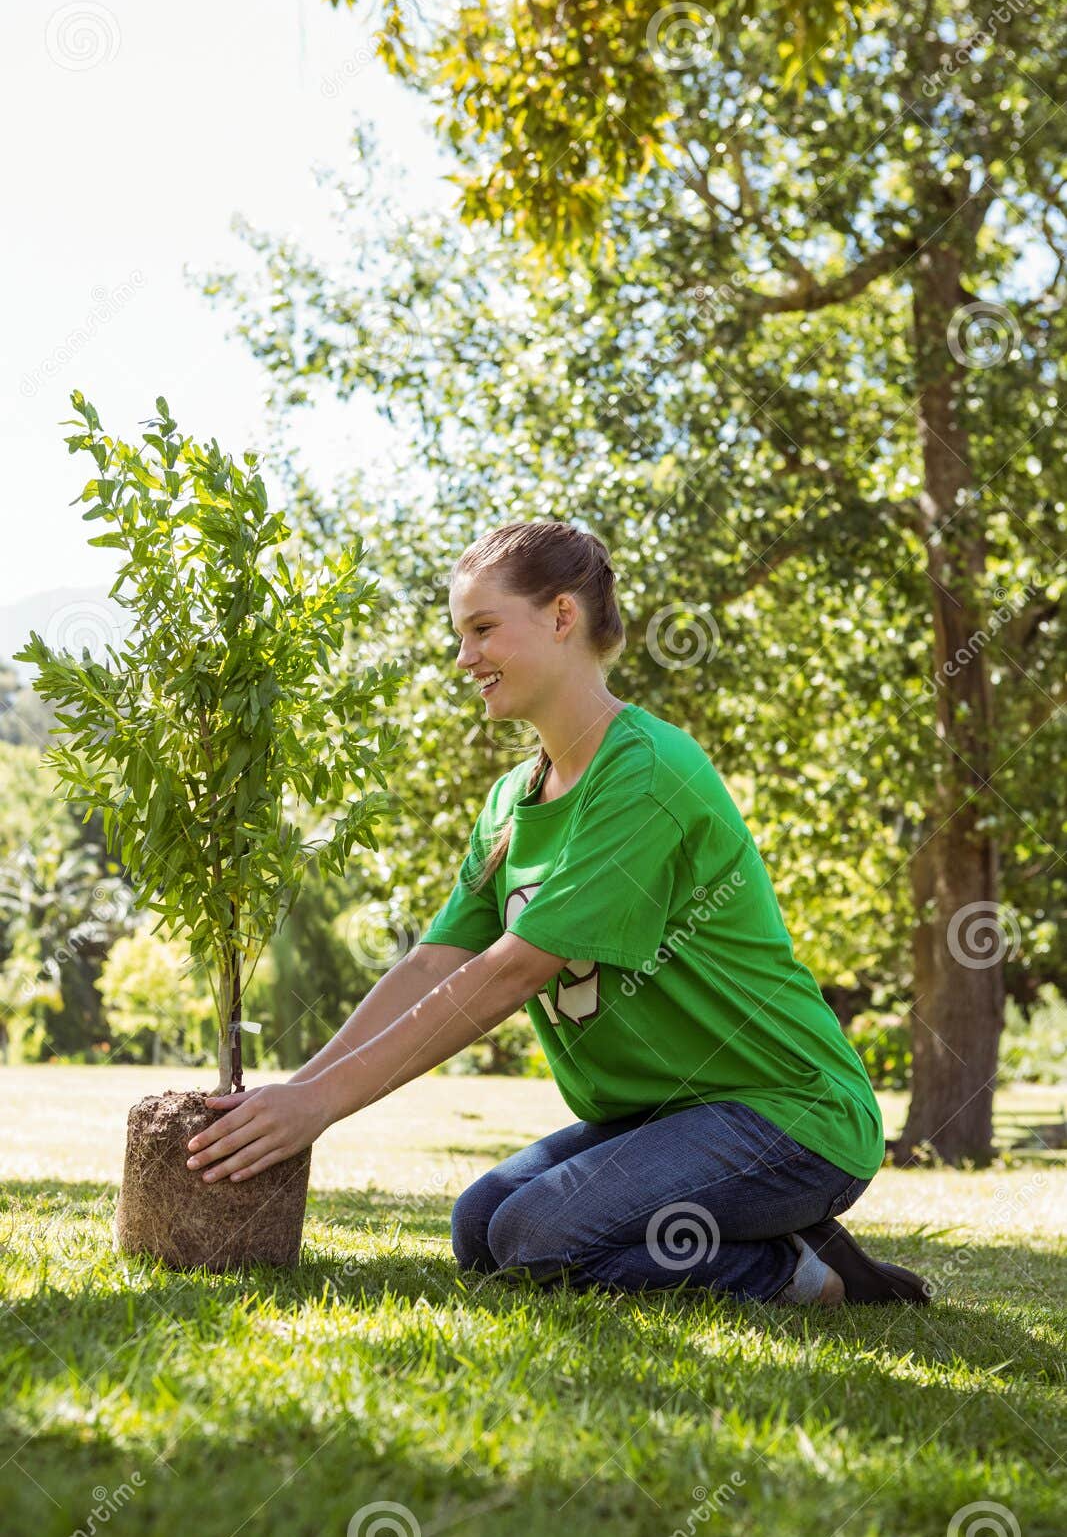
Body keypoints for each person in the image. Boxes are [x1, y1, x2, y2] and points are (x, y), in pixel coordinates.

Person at [186, 518, 930, 1309]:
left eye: (481, 629)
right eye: (458, 634)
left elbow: (513, 970)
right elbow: (435, 962)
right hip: (667, 1116)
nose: (462, 658)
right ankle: (761, 1230)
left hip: (786, 1113)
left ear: (561, 618)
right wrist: (298, 1094)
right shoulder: (512, 802)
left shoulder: (644, 772)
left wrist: (322, 1107)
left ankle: (799, 1274)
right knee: (479, 1227)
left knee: (537, 1240)